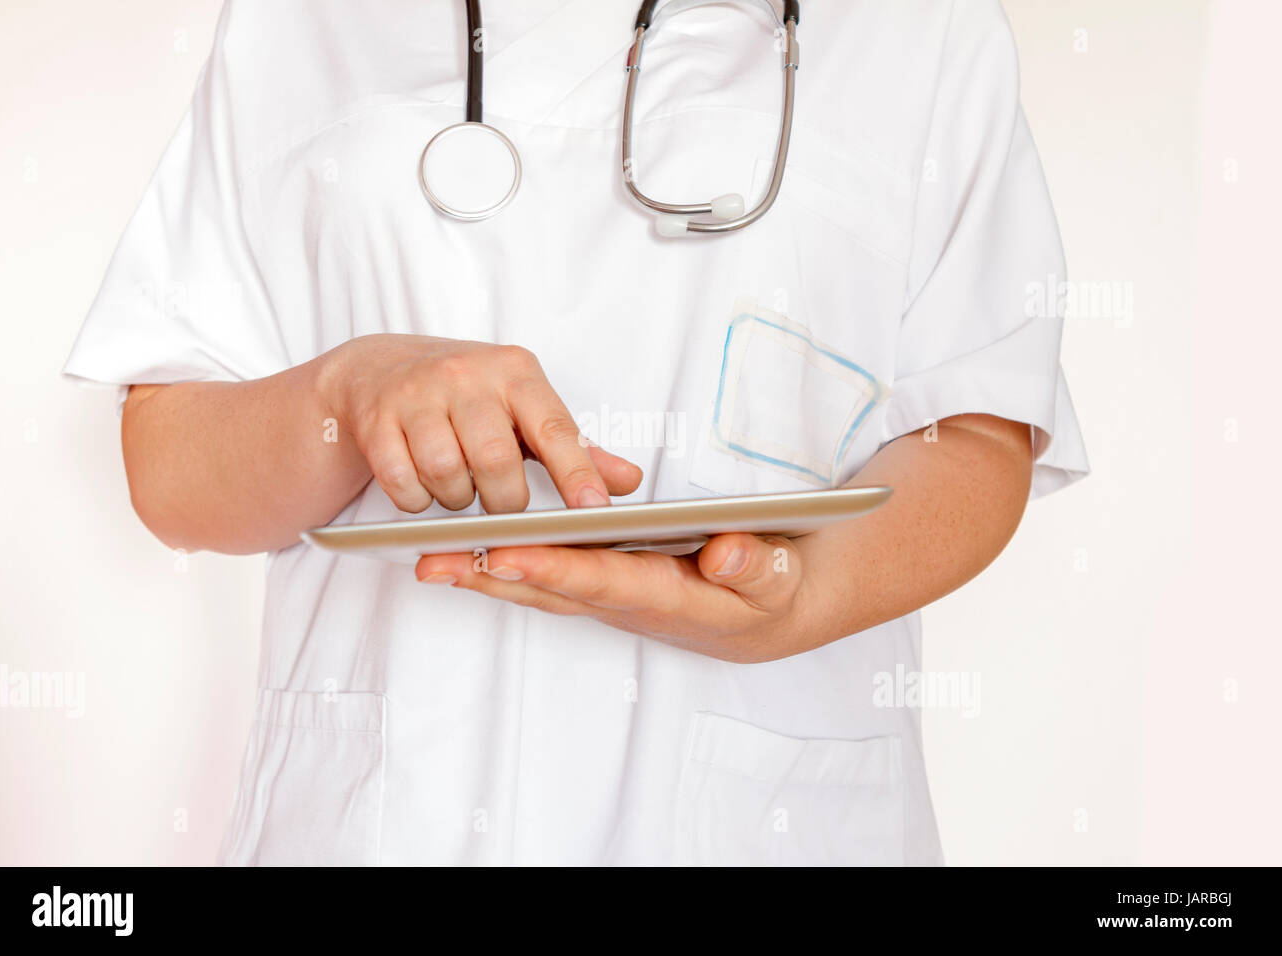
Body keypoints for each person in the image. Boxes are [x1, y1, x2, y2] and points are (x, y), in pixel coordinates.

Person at [64, 0, 1088, 865]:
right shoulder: (301, 18)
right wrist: (348, 395)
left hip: (769, 815)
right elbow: (171, 462)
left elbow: (978, 424)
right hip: (381, 819)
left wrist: (807, 593)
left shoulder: (923, 25)